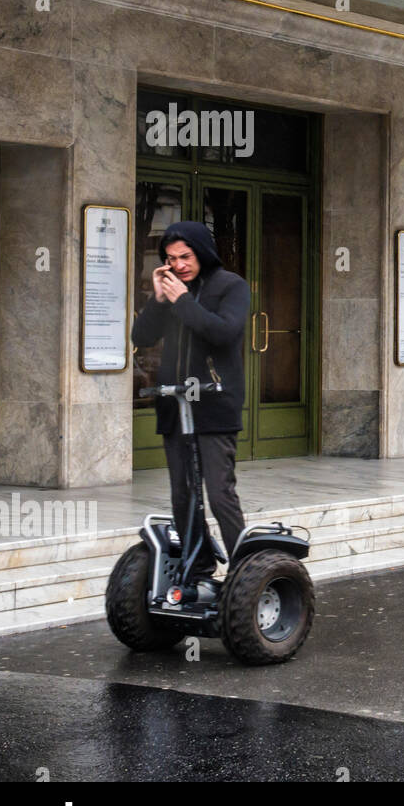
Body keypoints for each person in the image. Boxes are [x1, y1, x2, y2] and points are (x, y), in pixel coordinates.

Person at [131, 221, 250, 588]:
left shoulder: (231, 286)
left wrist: (182, 300)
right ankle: (197, 570)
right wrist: (158, 300)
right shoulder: (170, 292)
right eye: (170, 258)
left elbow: (223, 332)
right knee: (183, 495)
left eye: (185, 256)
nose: (178, 264)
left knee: (218, 493)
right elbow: (142, 336)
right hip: (174, 405)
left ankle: (245, 571)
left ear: (201, 251)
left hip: (214, 404)